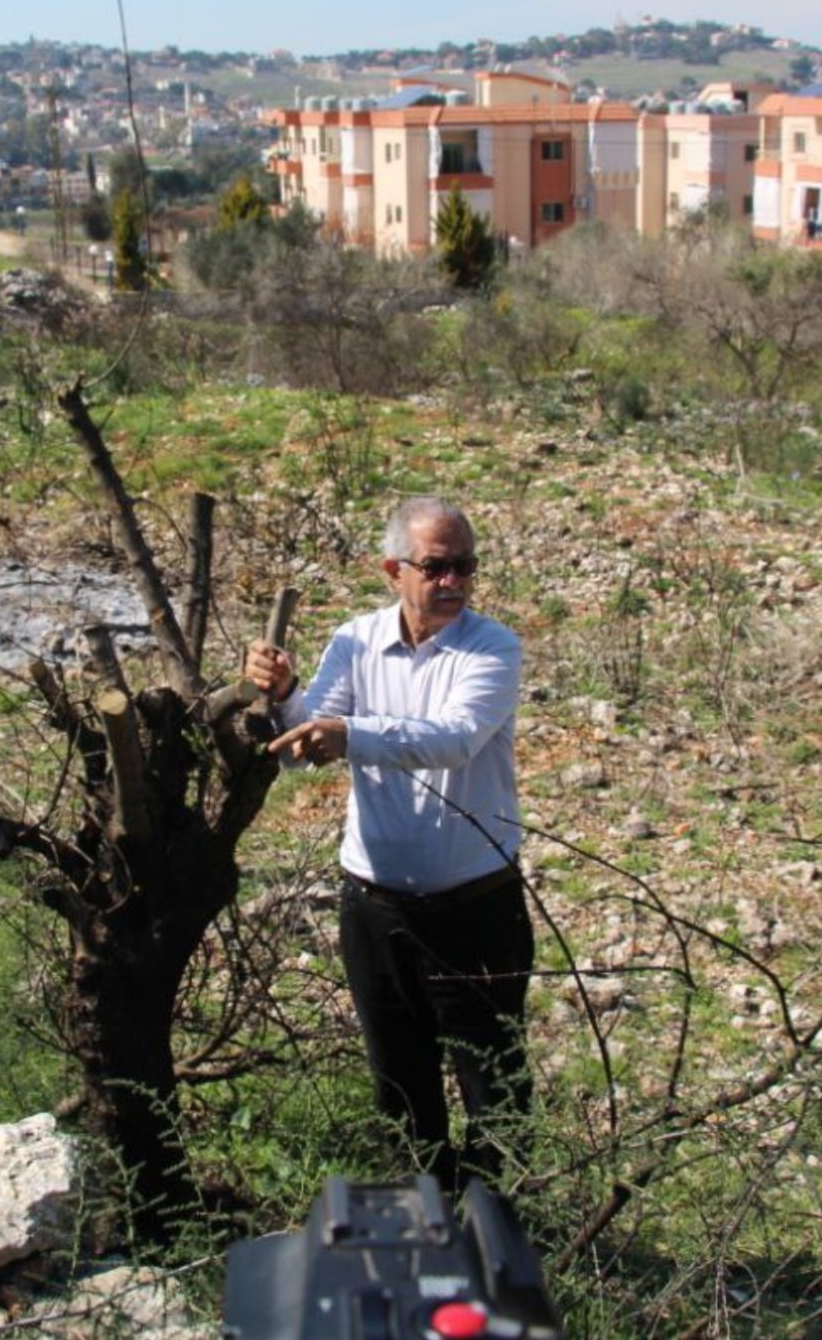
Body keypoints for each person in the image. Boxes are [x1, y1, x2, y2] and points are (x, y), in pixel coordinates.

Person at [244, 495, 530, 1192]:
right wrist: (285, 700)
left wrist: (351, 733)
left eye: (465, 566)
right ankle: (427, 1226)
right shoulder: (356, 640)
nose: (454, 582)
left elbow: (456, 738)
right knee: (399, 1084)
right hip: (375, 906)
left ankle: (501, 1234)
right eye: (437, 567)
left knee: (491, 1082)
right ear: (393, 570)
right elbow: (301, 745)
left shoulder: (491, 647)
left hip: (475, 908)